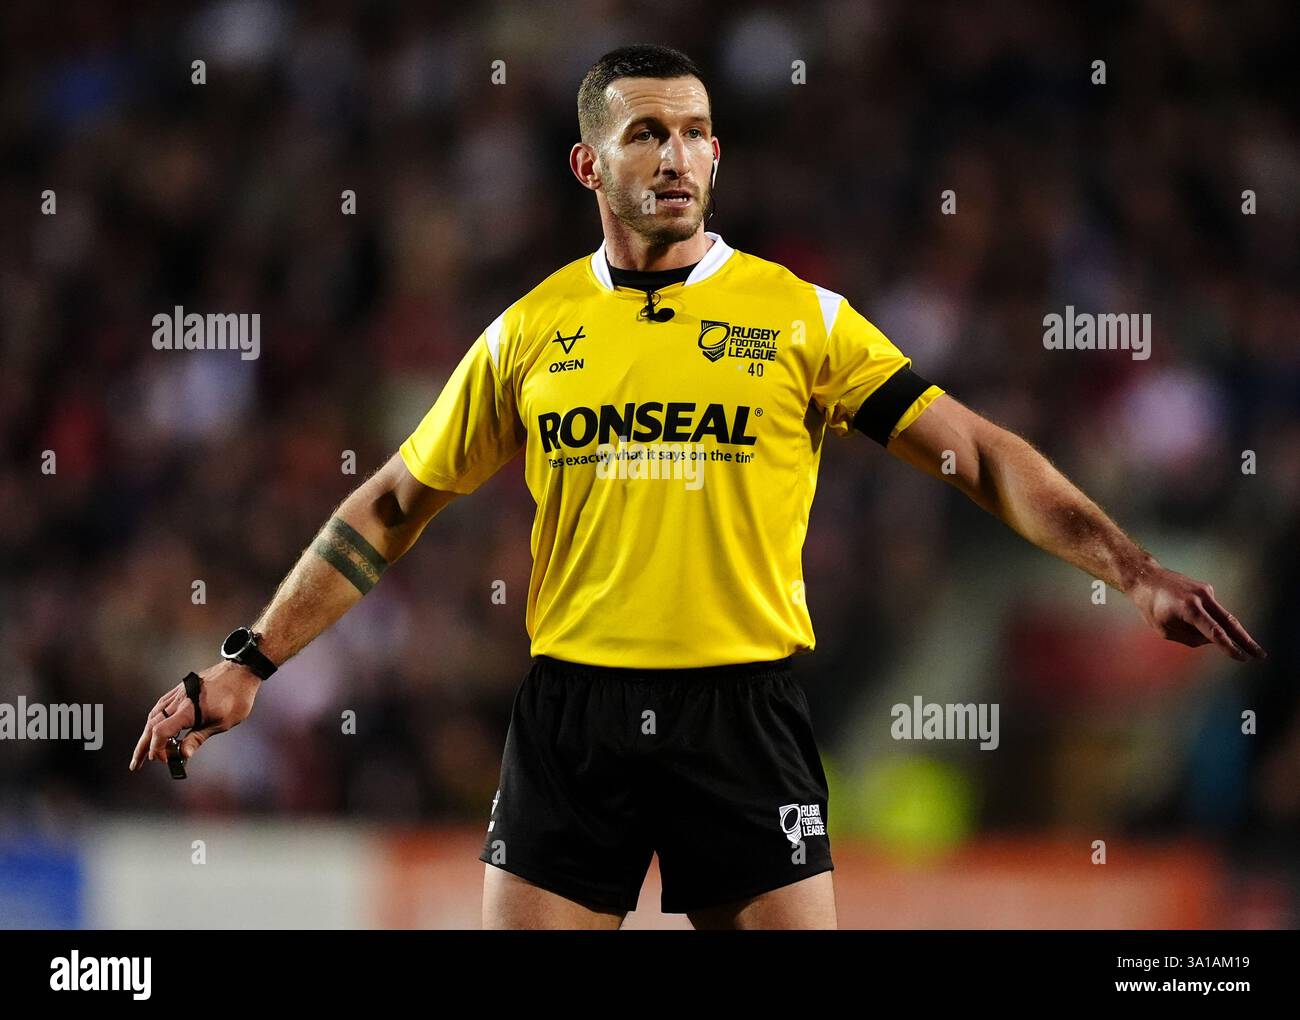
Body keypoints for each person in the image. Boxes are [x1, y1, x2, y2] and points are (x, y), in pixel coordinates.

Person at [130, 44, 1266, 930]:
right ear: (589, 164)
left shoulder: (798, 317)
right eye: (646, 134)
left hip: (742, 716)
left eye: (696, 134)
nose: (676, 156)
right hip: (572, 720)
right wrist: (248, 661)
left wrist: (1131, 570)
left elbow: (978, 454)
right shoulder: (528, 332)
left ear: (718, 157)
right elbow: (390, 503)